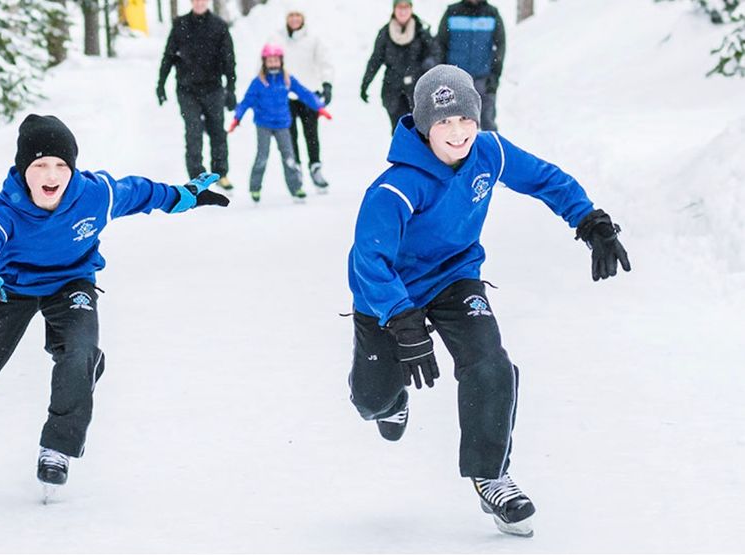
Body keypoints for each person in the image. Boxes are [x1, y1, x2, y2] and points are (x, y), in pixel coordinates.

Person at [0, 115, 229, 494]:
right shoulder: (0, 212)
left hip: (71, 282)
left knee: (79, 352)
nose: (51, 174)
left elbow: (140, 192)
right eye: (39, 165)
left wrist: (182, 196)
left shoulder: (95, 195)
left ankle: (57, 448)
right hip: (7, 287)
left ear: (72, 169)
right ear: (24, 170)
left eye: (60, 165)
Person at [346, 65, 630, 537]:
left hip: (456, 278)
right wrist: (401, 319)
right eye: (443, 123)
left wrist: (589, 220)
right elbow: (369, 261)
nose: (457, 133)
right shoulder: (394, 187)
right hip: (389, 292)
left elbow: (545, 179)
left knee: (490, 363)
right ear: (423, 125)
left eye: (465, 121)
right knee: (371, 400)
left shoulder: (490, 152)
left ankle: (491, 473)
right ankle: (388, 400)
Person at [229, 44, 332, 203]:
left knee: (289, 158)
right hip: (263, 124)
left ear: (281, 61)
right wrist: (237, 117)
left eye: (276, 60)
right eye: (269, 61)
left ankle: (296, 188)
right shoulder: (258, 82)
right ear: (264, 62)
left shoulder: (287, 79)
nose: (273, 63)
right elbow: (246, 101)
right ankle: (255, 188)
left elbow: (304, 93)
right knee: (262, 157)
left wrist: (319, 107)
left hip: (283, 124)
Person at [157, 0, 238, 191]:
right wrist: (161, 84)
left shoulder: (219, 25)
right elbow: (168, 55)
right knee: (193, 131)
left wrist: (231, 88)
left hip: (213, 88)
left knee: (217, 131)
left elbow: (229, 58)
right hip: (187, 89)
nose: (199, 2)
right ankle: (197, 177)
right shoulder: (180, 24)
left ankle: (221, 173)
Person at [268, 4, 335, 191]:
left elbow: (325, 62)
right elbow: (265, 64)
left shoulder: (313, 40)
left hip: (309, 94)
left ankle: (315, 167)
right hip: (284, 96)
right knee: (290, 136)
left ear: (303, 18)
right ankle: (295, 170)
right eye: (291, 15)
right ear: (286, 18)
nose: (294, 19)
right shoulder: (276, 39)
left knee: (311, 134)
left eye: (298, 15)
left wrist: (327, 84)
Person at [361, 0, 439, 133]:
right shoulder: (385, 33)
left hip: (417, 89)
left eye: (406, 7)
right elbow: (375, 60)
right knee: (399, 130)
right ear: (394, 9)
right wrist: (365, 84)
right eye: (399, 7)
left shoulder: (421, 30)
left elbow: (435, 53)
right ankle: (402, 153)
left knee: (419, 131)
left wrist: (429, 63)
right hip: (392, 90)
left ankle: (416, 153)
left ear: (411, 9)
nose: (403, 11)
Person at [436, 0, 505, 130]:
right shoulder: (452, 12)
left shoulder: (492, 13)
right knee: (455, 125)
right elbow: (440, 45)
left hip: (483, 80)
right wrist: (442, 75)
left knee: (487, 124)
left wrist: (495, 76)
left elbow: (500, 46)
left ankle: (489, 151)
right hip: (455, 81)